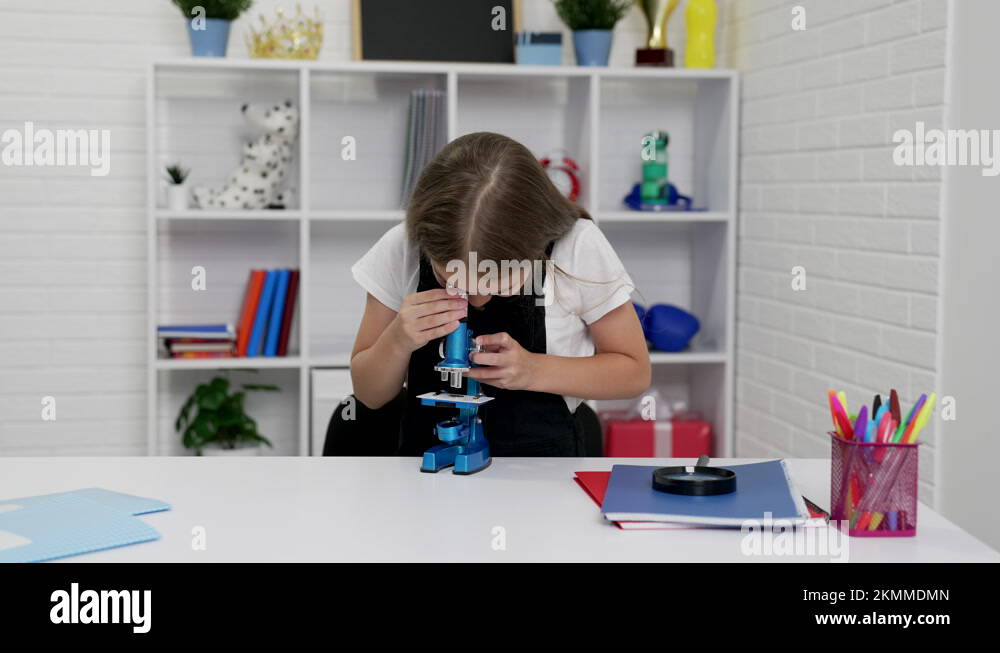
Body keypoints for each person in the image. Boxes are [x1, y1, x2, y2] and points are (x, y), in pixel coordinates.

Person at [346, 131, 650, 457]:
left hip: (543, 478)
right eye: (453, 281)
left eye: (498, 283)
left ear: (537, 246)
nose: (476, 301)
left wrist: (534, 370)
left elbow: (633, 373)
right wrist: (397, 340)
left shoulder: (577, 246)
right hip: (424, 477)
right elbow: (369, 394)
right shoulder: (401, 246)